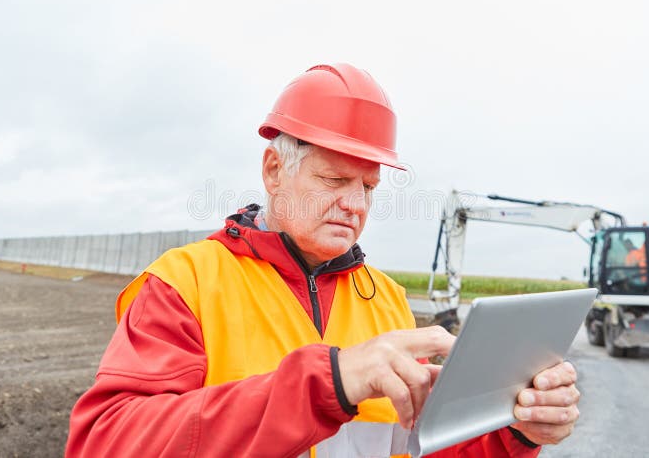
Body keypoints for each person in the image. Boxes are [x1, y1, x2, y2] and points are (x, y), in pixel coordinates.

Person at [66, 64, 581, 457]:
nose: (355, 203)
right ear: (274, 170)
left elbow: (415, 446)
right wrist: (330, 383)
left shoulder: (386, 301)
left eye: (368, 186)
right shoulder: (187, 283)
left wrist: (511, 428)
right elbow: (106, 442)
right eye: (334, 181)